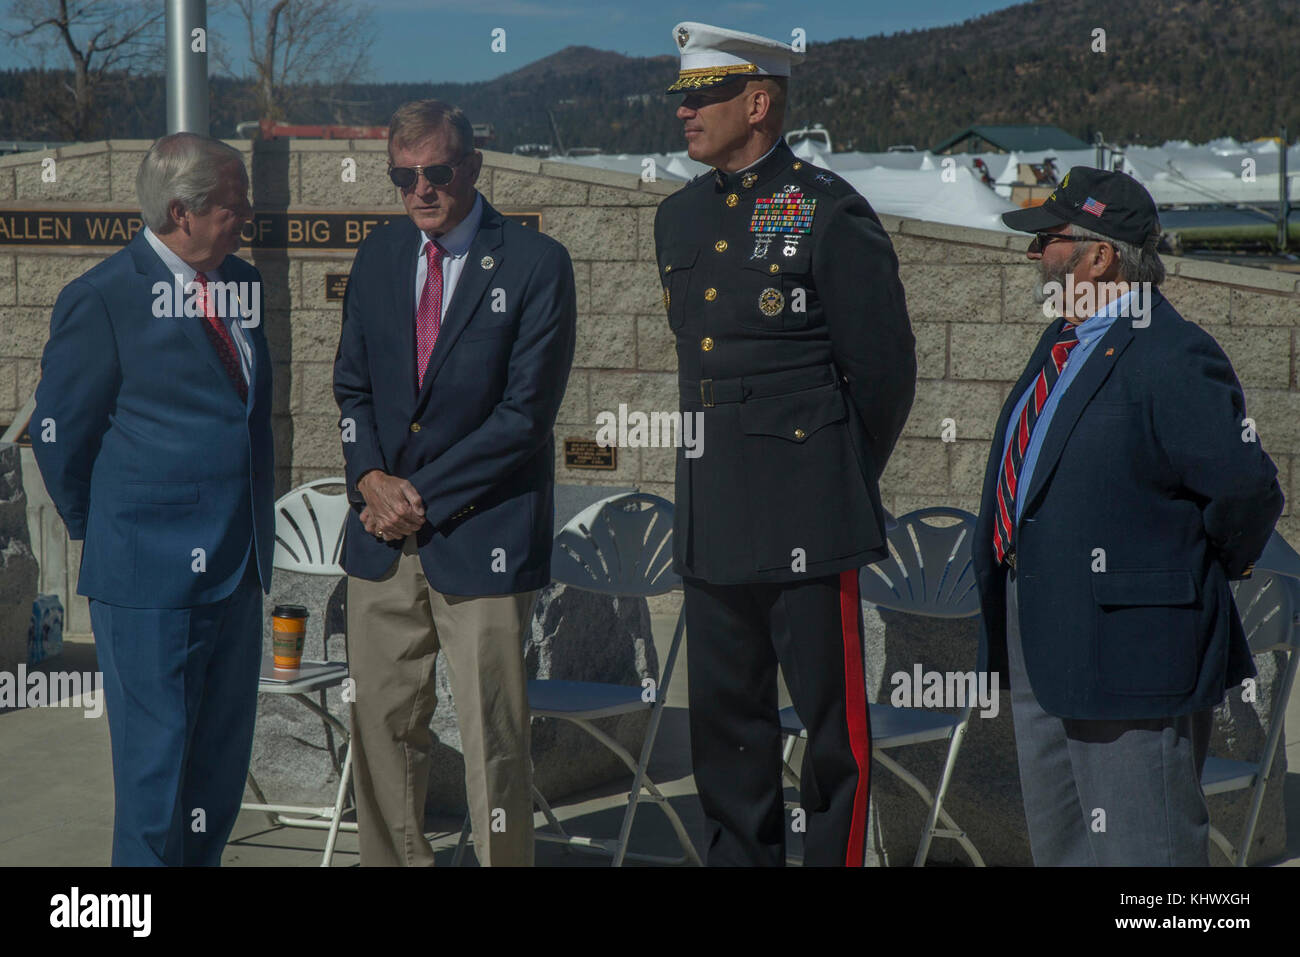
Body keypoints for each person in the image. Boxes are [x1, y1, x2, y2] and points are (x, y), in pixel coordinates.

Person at [654, 22, 916, 865]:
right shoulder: (678, 217)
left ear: (758, 102)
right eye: (683, 98)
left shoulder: (828, 208)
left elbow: (881, 373)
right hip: (712, 516)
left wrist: (831, 474)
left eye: (702, 97)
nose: (685, 113)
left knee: (832, 737)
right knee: (727, 737)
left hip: (809, 513)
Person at [972, 166, 1284, 865]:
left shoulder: (1173, 353)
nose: (1034, 256)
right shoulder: (1061, 340)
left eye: (1048, 241)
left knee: (1147, 853)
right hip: (1039, 632)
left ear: (1099, 254)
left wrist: (1189, 572)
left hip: (1133, 650)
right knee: (1066, 847)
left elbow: (1247, 488)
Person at [333, 99, 576, 866]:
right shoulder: (377, 258)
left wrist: (417, 494)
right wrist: (370, 475)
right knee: (380, 731)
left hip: (483, 540)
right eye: (405, 177)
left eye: (437, 172)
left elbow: (522, 417)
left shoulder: (537, 264)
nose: (421, 190)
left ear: (471, 166)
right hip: (382, 541)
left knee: (492, 741)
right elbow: (353, 390)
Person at [32, 133, 274, 865]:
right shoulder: (101, 298)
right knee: (154, 790)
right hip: (148, 587)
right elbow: (59, 438)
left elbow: (246, 417)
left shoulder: (245, 285)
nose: (248, 217)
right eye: (235, 206)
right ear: (182, 212)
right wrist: (107, 530)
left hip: (237, 575)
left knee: (216, 784)